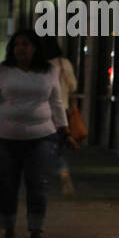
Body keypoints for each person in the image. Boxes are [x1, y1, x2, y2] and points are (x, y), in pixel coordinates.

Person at [0, 29, 73, 238]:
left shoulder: (49, 71)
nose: (21, 49)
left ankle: (36, 232)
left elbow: (56, 103)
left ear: (35, 48)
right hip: (2, 137)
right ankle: (8, 230)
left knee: (37, 183)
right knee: (7, 184)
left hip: (42, 136)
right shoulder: (3, 71)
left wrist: (65, 132)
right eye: (17, 45)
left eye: (26, 44)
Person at [41, 33, 79, 196]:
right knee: (57, 147)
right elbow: (73, 86)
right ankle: (62, 173)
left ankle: (59, 172)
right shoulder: (65, 64)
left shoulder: (43, 66)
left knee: (46, 147)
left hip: (46, 113)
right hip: (63, 111)